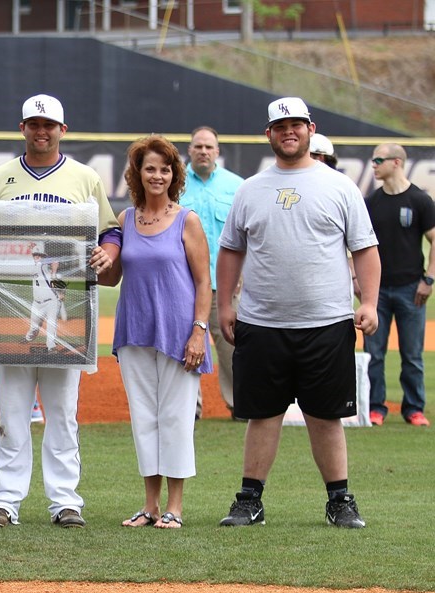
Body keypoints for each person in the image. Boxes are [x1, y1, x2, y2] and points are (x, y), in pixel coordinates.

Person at [216, 97, 380, 529]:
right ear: (269, 134)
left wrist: (368, 302)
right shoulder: (251, 188)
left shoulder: (339, 186)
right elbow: (231, 249)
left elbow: (365, 249)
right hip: (262, 321)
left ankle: (340, 501)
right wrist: (225, 304)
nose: (289, 131)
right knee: (262, 414)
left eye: (296, 124)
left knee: (326, 416)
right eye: (279, 125)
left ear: (311, 129)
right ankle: (249, 500)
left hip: (326, 322)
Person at [0, 94, 118, 529]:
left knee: (63, 412)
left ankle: (65, 500)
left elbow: (109, 231)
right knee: (12, 412)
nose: (41, 131)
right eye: (34, 124)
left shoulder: (85, 178)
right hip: (7, 307)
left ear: (62, 130)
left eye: (49, 124)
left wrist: (107, 254)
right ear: (23, 128)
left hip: (68, 303)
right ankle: (6, 500)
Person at [102, 135, 212, 529]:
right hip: (134, 331)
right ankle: (149, 505)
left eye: (165, 169)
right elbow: (111, 276)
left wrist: (199, 332)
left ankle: (175, 507)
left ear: (174, 174)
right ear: (137, 173)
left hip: (180, 333)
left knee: (176, 418)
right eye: (150, 168)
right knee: (144, 418)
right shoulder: (125, 220)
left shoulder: (188, 220)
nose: (158, 175)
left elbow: (204, 283)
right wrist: (93, 259)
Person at [363, 142, 435, 427]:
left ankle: (414, 408)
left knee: (412, 354)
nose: (374, 165)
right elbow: (359, 244)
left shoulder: (420, 200)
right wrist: (358, 280)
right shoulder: (372, 202)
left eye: (379, 159)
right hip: (377, 291)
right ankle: (376, 408)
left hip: (410, 289)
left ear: (396, 163)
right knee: (374, 353)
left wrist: (428, 279)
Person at [177, 126, 243, 419]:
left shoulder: (236, 186)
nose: (203, 151)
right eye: (198, 146)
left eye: (209, 147)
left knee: (232, 346)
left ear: (217, 152)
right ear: (189, 150)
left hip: (224, 284)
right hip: (183, 284)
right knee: (184, 346)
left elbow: (249, 234)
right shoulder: (174, 183)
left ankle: (240, 404)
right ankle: (189, 408)